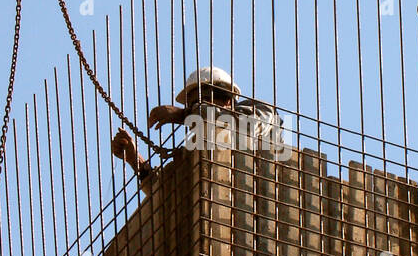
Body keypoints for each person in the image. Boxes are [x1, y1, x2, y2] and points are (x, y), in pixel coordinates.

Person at [111, 65, 286, 194]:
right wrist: (136, 161)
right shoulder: (201, 147)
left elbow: (245, 127)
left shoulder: (262, 111)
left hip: (266, 197)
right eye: (192, 105)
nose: (196, 110)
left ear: (227, 100)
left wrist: (185, 114)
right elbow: (165, 194)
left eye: (199, 103)